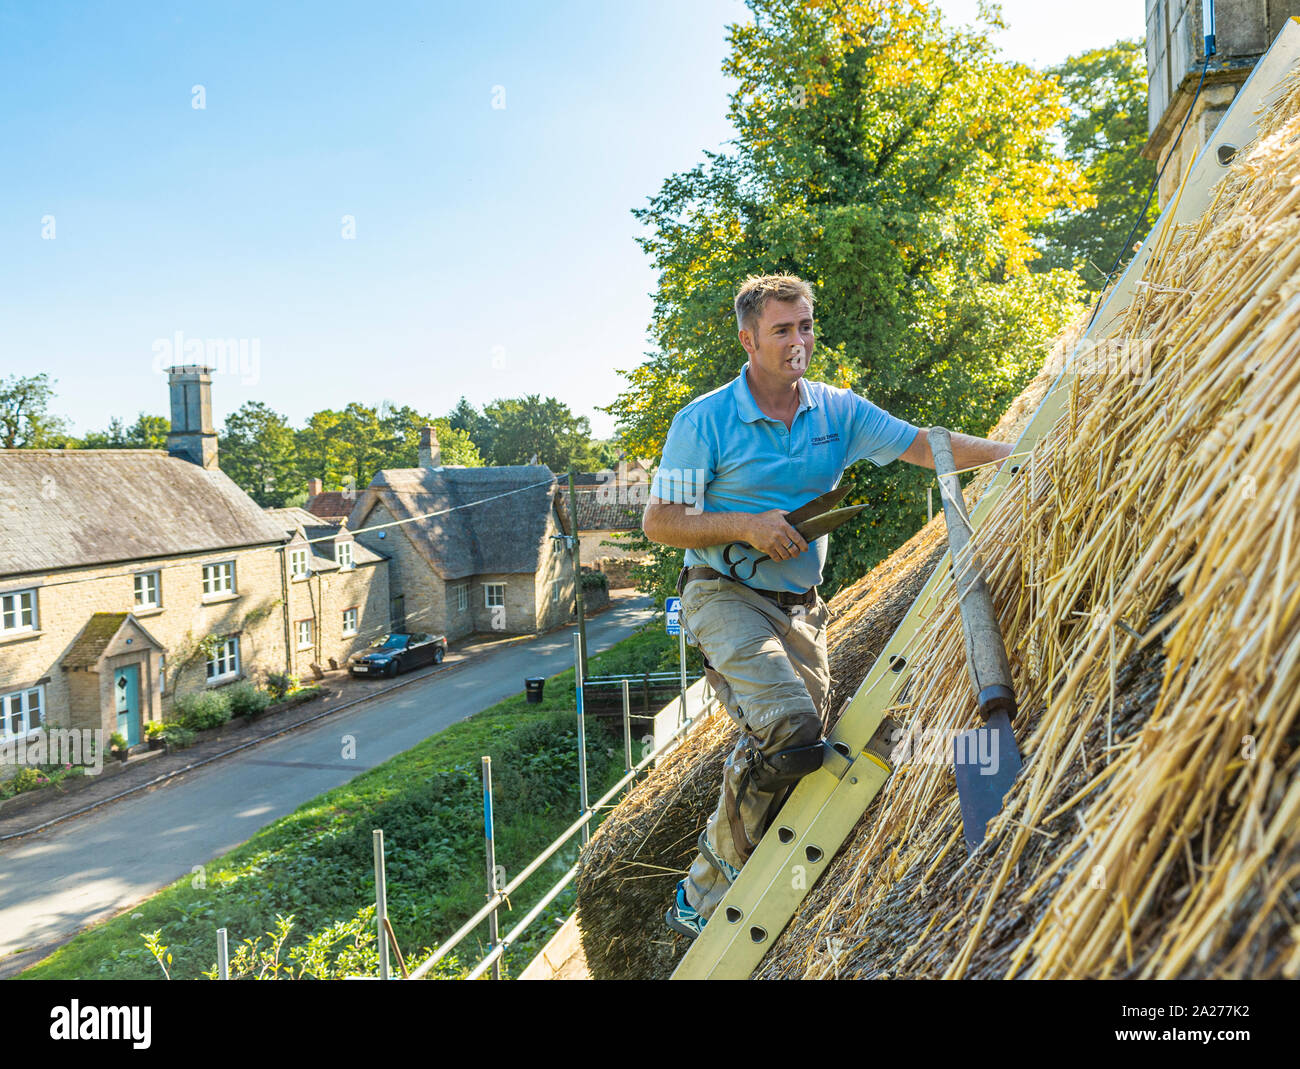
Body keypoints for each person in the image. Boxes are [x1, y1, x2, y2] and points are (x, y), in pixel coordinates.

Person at [642, 274, 1014, 937]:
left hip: (801, 606)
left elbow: (925, 446)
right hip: (722, 592)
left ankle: (745, 863)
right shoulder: (701, 421)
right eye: (783, 330)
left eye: (806, 326)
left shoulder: (836, 412)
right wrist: (746, 524)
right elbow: (659, 521)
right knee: (785, 724)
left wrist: (1017, 454)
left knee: (803, 749)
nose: (799, 341)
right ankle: (699, 896)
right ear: (748, 339)